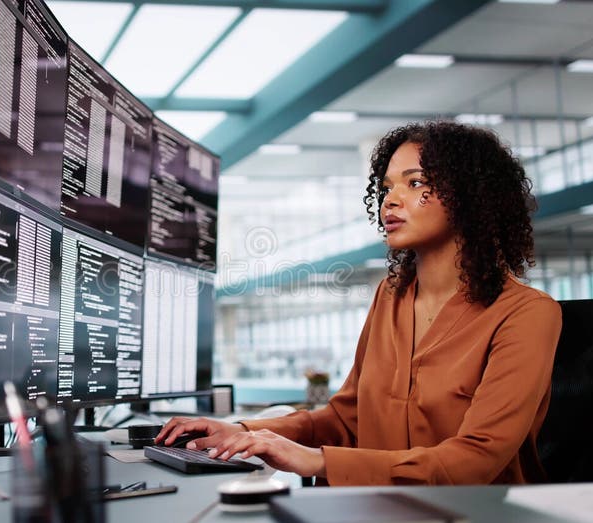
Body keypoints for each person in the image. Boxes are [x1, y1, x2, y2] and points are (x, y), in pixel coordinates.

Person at [156, 120, 562, 485]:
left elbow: (475, 461)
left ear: (471, 196)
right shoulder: (391, 297)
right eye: (387, 188)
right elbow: (345, 419)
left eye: (416, 183)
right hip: (376, 508)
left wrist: (317, 462)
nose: (391, 200)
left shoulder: (526, 314)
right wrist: (245, 431)